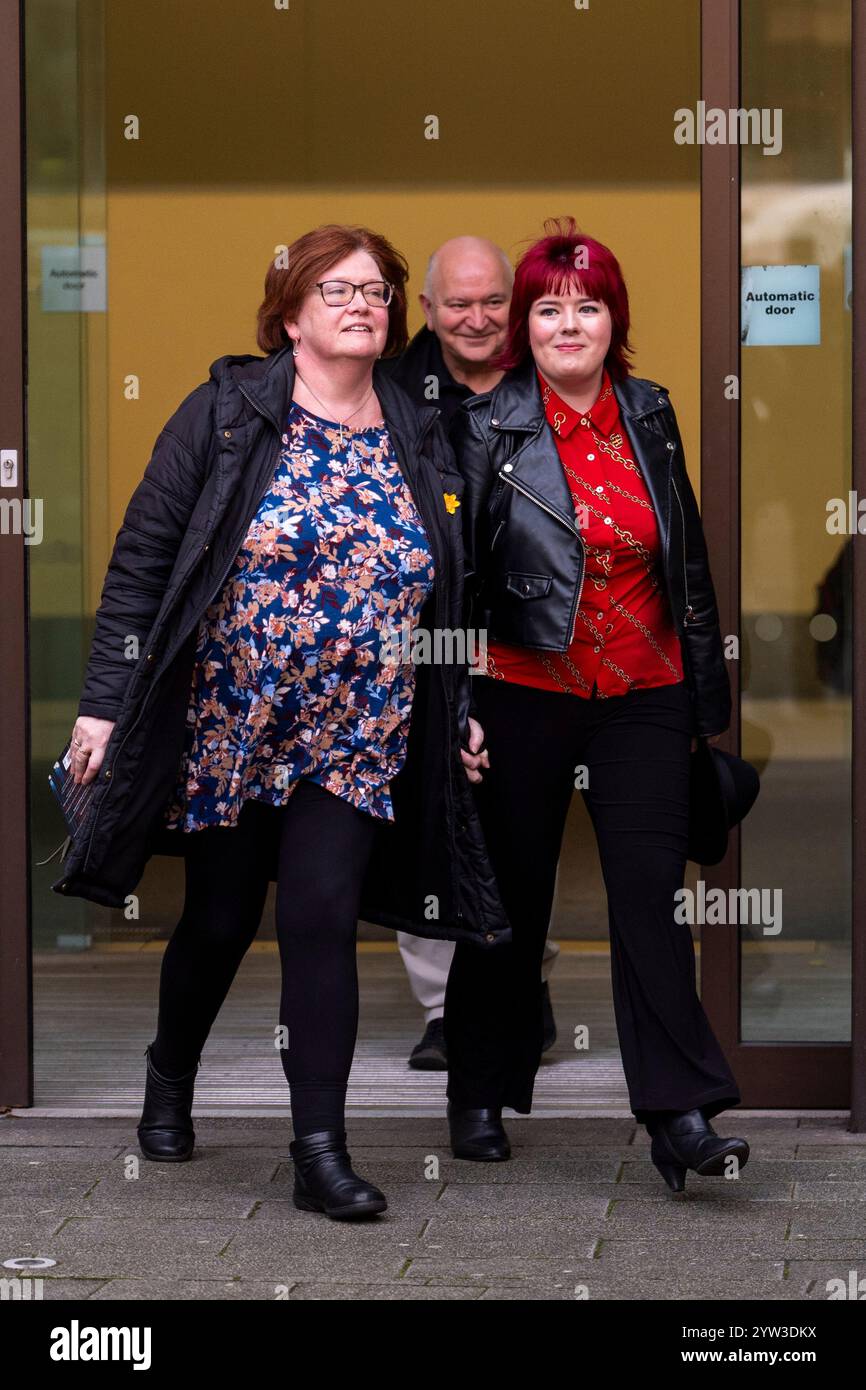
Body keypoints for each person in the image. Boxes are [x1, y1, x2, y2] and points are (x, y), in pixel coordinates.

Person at [57, 223, 508, 1221]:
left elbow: (455, 579)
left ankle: (319, 1151)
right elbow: (142, 563)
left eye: (378, 293)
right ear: (290, 311)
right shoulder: (226, 412)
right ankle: (168, 1075)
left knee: (318, 918)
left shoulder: (420, 422)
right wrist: (101, 706)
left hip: (358, 728)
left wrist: (458, 707)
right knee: (218, 919)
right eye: (339, 289)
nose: (363, 305)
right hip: (231, 716)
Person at [444, 217, 750, 1191]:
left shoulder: (649, 411)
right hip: (522, 694)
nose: (566, 324)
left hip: (642, 698)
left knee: (649, 906)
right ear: (522, 329)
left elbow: (685, 560)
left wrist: (705, 702)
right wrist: (457, 707)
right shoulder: (485, 427)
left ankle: (678, 1114)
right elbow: (449, 584)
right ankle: (477, 1086)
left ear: (612, 317)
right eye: (546, 308)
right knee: (509, 906)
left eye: (585, 307)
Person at [380, 235, 559, 1067]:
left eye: (494, 302)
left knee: (520, 815)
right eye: (459, 303)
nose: (478, 319)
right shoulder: (390, 390)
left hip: (529, 632)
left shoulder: (549, 377)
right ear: (427, 309)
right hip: (426, 628)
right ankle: (444, 1010)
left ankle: (525, 986)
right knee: (433, 803)